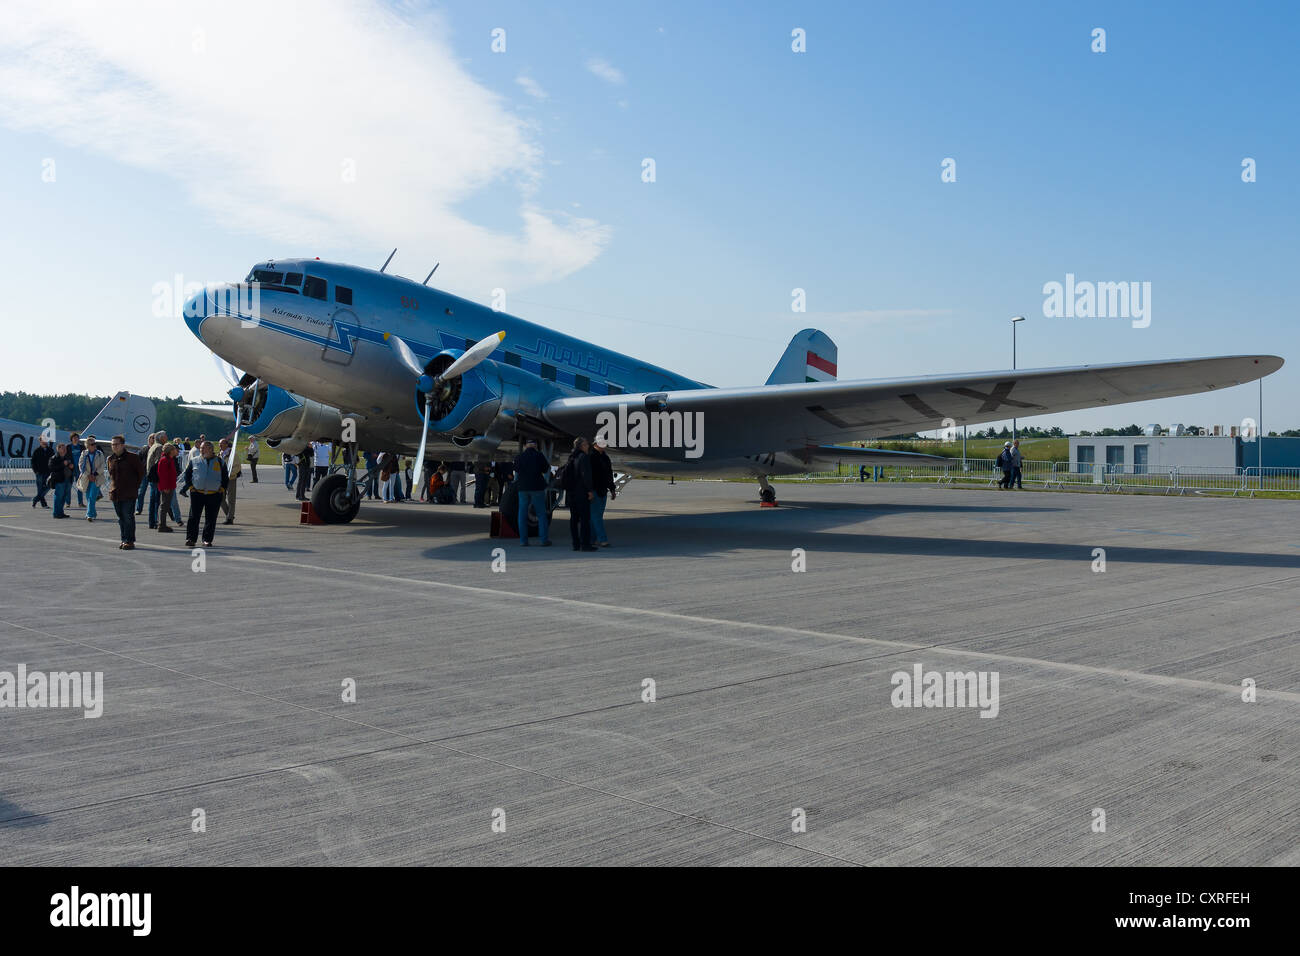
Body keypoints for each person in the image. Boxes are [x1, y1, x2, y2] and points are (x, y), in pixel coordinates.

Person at [181, 440, 228, 547]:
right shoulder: (194, 461)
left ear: (211, 449)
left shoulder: (220, 462)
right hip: (197, 493)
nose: (201, 450)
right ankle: (191, 539)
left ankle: (207, 539)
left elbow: (225, 478)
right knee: (193, 517)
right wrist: (191, 488)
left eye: (204, 448)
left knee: (211, 518)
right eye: (201, 448)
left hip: (214, 494)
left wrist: (221, 489)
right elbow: (187, 475)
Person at [106, 434, 145, 549]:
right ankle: (123, 539)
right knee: (121, 518)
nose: (114, 446)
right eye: (112, 444)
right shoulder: (110, 459)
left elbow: (141, 473)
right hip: (115, 493)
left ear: (123, 445)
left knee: (128, 517)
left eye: (116, 444)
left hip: (129, 493)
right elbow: (110, 474)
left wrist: (135, 486)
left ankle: (130, 540)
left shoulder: (133, 458)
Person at [513, 439, 552, 546]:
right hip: (537, 487)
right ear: (535, 446)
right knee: (541, 514)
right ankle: (544, 540)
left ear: (526, 446)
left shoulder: (520, 456)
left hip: (522, 488)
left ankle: (523, 541)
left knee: (522, 514)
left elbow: (516, 469)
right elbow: (545, 469)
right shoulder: (539, 455)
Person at [563, 437, 597, 552]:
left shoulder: (572, 457)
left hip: (571, 493)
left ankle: (575, 544)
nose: (588, 446)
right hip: (581, 493)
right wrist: (590, 490)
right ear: (582, 446)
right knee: (584, 519)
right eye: (587, 444)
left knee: (573, 519)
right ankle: (585, 544)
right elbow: (585, 475)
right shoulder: (584, 457)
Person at [589, 439, 616, 547]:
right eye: (601, 444)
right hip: (594, 490)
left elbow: (609, 474)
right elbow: (588, 476)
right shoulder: (590, 457)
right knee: (596, 516)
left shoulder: (605, 457)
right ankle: (602, 539)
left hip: (603, 490)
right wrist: (589, 490)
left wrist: (612, 489)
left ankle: (592, 539)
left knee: (596, 516)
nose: (604, 446)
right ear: (595, 444)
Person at [77, 435, 107, 522]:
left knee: (92, 496)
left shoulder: (99, 453)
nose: (94, 445)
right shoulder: (84, 453)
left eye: (95, 443)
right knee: (88, 496)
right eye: (92, 444)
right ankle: (93, 513)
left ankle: (89, 514)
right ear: (87, 445)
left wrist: (95, 474)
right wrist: (88, 475)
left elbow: (102, 465)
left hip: (97, 478)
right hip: (87, 478)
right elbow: (81, 465)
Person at [156, 442, 180, 533]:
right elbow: (162, 475)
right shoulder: (165, 460)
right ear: (170, 451)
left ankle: (162, 524)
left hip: (170, 486)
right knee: (164, 506)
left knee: (165, 505)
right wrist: (165, 487)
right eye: (174, 449)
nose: (175, 451)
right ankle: (162, 525)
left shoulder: (169, 459)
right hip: (167, 487)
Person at [218, 438, 242, 524]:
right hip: (221, 480)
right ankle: (230, 514)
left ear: (226, 444)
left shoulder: (233, 454)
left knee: (231, 499)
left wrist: (229, 474)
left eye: (221, 444)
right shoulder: (219, 454)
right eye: (219, 444)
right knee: (220, 498)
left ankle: (229, 518)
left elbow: (238, 467)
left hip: (231, 479)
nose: (219, 445)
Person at [49, 442, 74, 519]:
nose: (64, 449)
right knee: (58, 496)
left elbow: (71, 467)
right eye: (62, 448)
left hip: (67, 479)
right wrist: (63, 464)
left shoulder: (67, 457)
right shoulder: (54, 458)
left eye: (65, 448)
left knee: (63, 496)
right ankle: (56, 513)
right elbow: (52, 468)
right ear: (58, 449)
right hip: (59, 480)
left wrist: (71, 466)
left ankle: (61, 512)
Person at [30, 436, 53, 509]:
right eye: (43, 440)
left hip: (48, 472)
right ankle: (44, 504)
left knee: (48, 486)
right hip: (39, 472)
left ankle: (35, 499)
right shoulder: (37, 450)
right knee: (40, 488)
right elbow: (33, 461)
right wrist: (35, 471)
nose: (45, 442)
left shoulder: (50, 450)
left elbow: (53, 460)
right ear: (40, 441)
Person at [135, 433, 155, 514]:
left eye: (154, 438)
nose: (152, 439)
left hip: (153, 473)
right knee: (141, 492)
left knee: (153, 493)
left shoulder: (158, 449)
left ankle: (152, 510)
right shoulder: (144, 449)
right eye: (151, 438)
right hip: (144, 473)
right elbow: (138, 460)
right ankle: (138, 509)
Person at [68, 431, 85, 508]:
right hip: (70, 469)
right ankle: (68, 503)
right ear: (71, 439)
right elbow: (65, 457)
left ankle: (80, 502)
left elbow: (85, 457)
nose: (75, 439)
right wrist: (69, 464)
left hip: (79, 469)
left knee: (80, 487)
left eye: (77, 438)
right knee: (68, 486)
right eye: (74, 438)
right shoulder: (68, 447)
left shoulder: (82, 447)